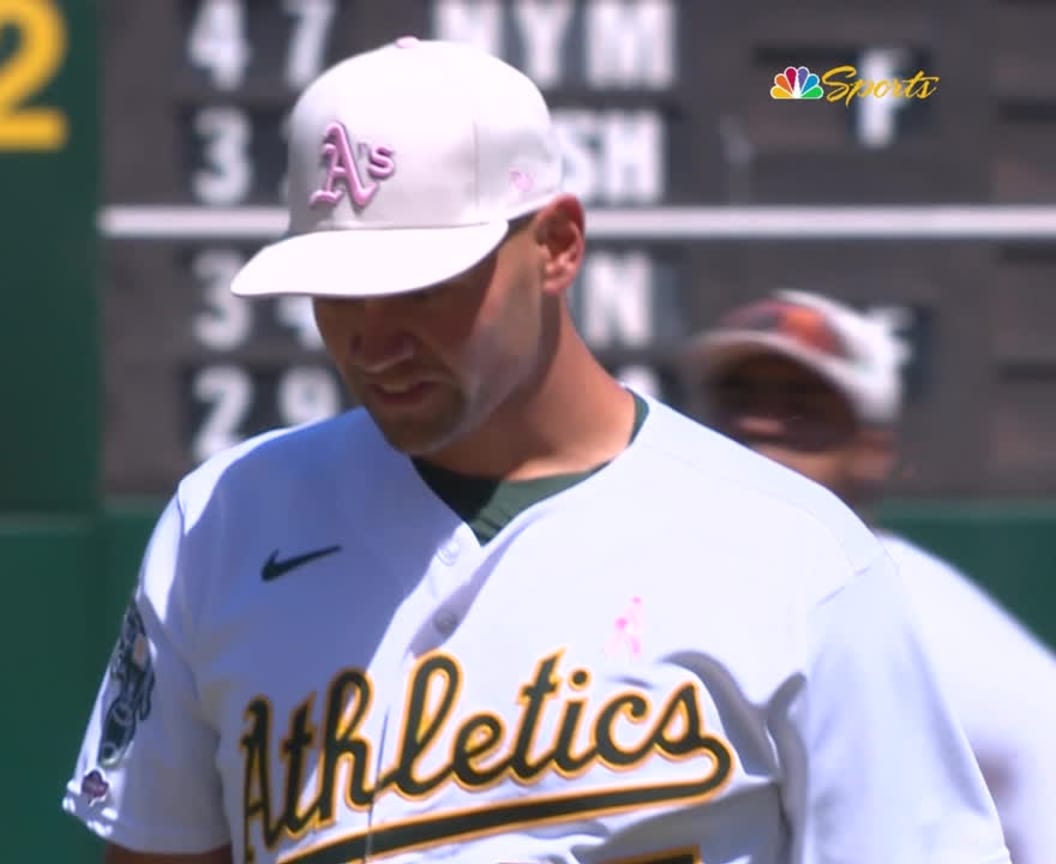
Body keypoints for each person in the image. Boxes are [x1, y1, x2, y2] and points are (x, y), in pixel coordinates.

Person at [62, 38, 1010, 864]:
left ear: (556, 244)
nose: (371, 336)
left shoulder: (797, 556)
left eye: (423, 284)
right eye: (337, 289)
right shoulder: (224, 522)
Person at [681, 288, 1056, 864]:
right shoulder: (660, 586)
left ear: (872, 448)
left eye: (802, 403)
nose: (757, 421)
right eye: (737, 397)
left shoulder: (921, 614)